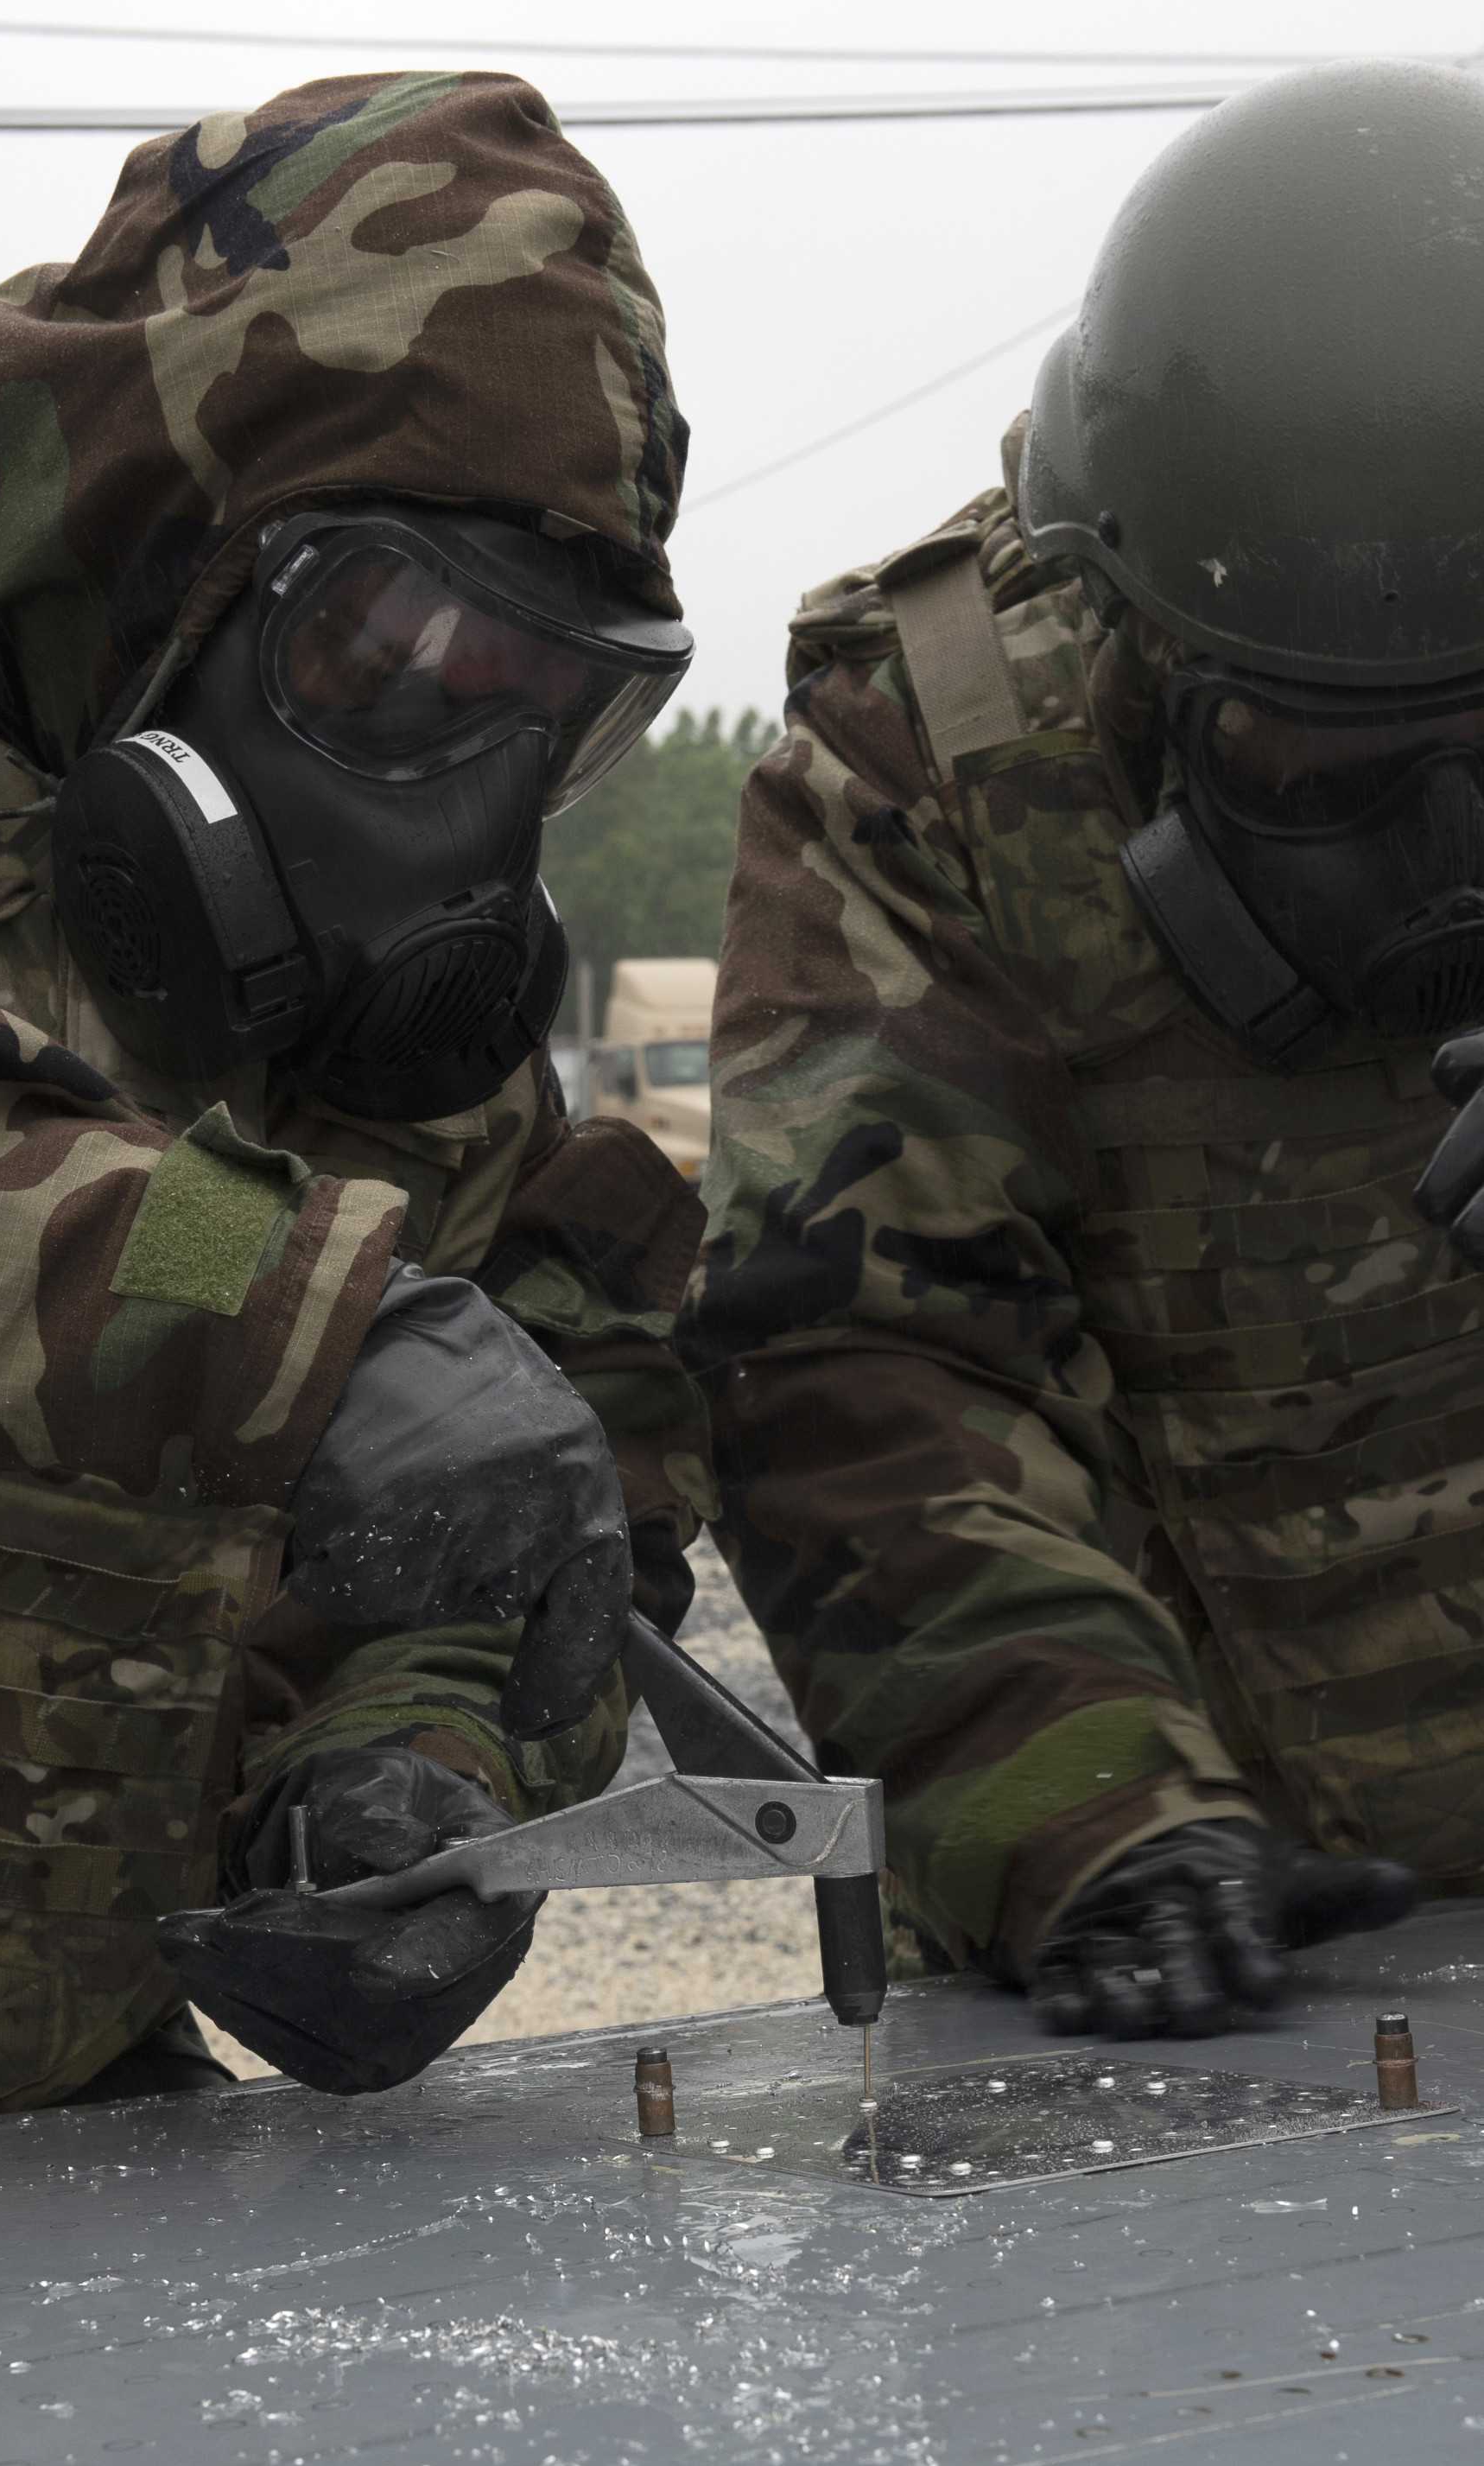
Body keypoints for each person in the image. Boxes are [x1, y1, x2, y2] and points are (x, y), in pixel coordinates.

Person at [0, 69, 714, 2173]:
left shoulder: (387, 1010)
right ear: (139, 529)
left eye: (540, 714)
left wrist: (411, 1777)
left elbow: (525, 1506)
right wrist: (286, 1316)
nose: (450, 789)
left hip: (26, 2144)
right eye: (393, 657)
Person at [675, 56, 1484, 2042]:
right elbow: (858, 1359)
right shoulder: (939, 772)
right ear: (1147, 662)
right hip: (1217, 1947)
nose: (1440, 875)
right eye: (1335, 777)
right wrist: (1083, 1815)